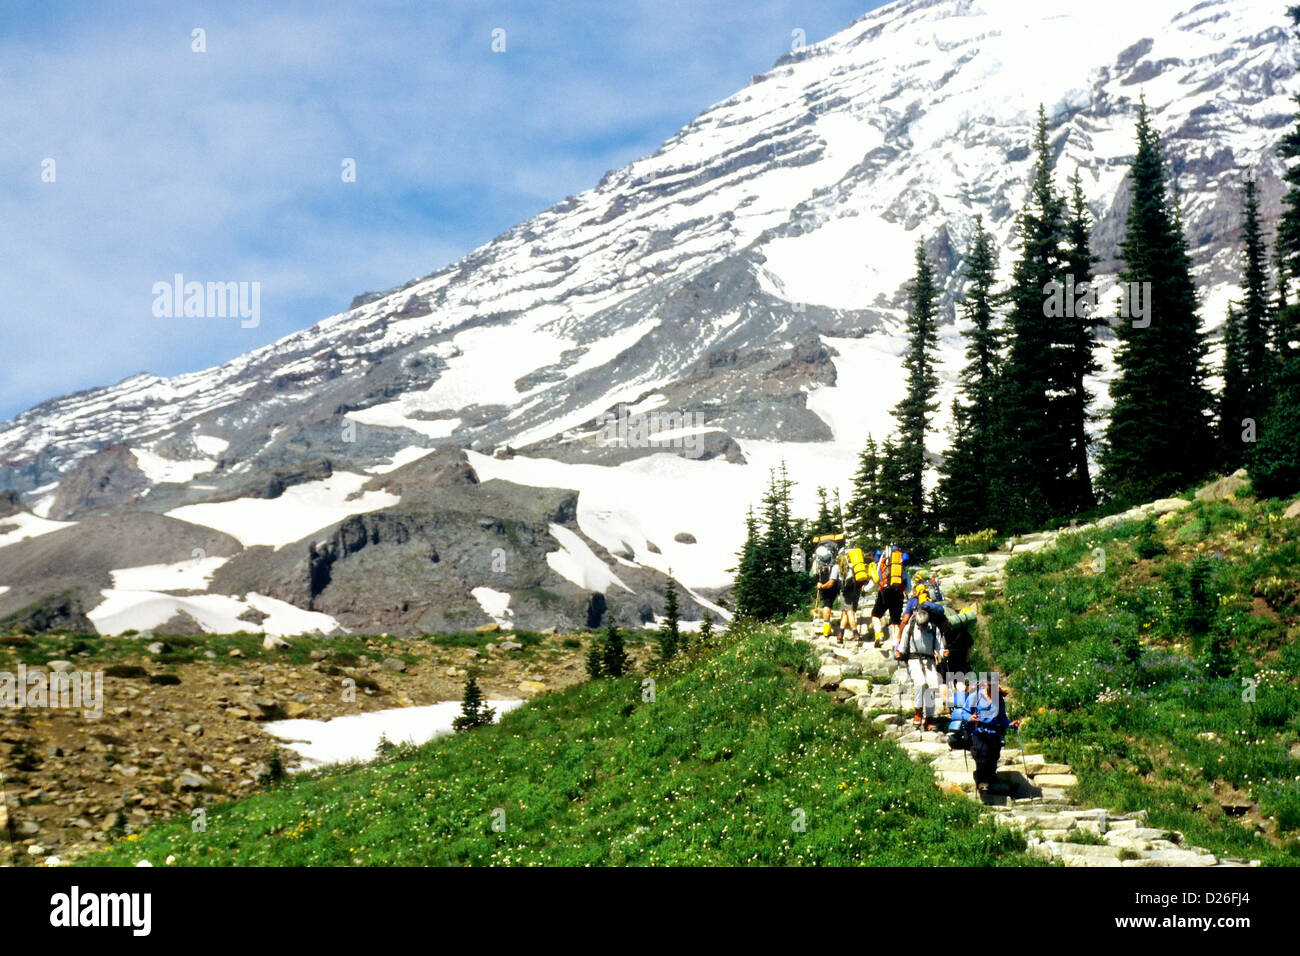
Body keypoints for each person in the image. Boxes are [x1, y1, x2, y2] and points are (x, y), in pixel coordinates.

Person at [895, 602, 946, 728]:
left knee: (932, 685)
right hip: (913, 660)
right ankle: (918, 711)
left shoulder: (934, 629)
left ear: (927, 622)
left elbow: (939, 647)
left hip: (929, 661)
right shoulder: (910, 627)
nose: (921, 627)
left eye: (923, 625)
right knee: (920, 682)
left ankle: (929, 717)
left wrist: (943, 653)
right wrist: (899, 652)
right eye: (919, 625)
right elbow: (903, 645)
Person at [968, 679, 1018, 802]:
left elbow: (1002, 719)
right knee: (982, 755)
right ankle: (982, 782)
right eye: (992, 685)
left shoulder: (999, 700)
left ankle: (986, 777)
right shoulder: (975, 697)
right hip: (978, 731)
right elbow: (964, 712)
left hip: (994, 732)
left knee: (994, 757)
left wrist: (1010, 724)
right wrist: (970, 717)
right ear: (987, 684)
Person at [869, 545, 909, 648]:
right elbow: (908, 588)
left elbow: (875, 581)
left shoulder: (882, 565)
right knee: (895, 620)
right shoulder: (901, 569)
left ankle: (879, 635)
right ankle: (895, 644)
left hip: (884, 593)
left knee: (876, 615)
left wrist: (865, 589)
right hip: (898, 594)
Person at [811, 543, 840, 637]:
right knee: (845, 605)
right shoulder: (833, 560)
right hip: (835, 583)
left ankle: (826, 629)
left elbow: (812, 575)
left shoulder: (816, 563)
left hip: (823, 584)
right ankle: (843, 624)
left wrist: (819, 584)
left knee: (827, 605)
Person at [838, 549, 864, 642]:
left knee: (849, 612)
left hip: (846, 591)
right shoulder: (856, 564)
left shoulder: (842, 563)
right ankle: (840, 634)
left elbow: (840, 579)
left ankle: (855, 633)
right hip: (856, 589)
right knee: (845, 612)